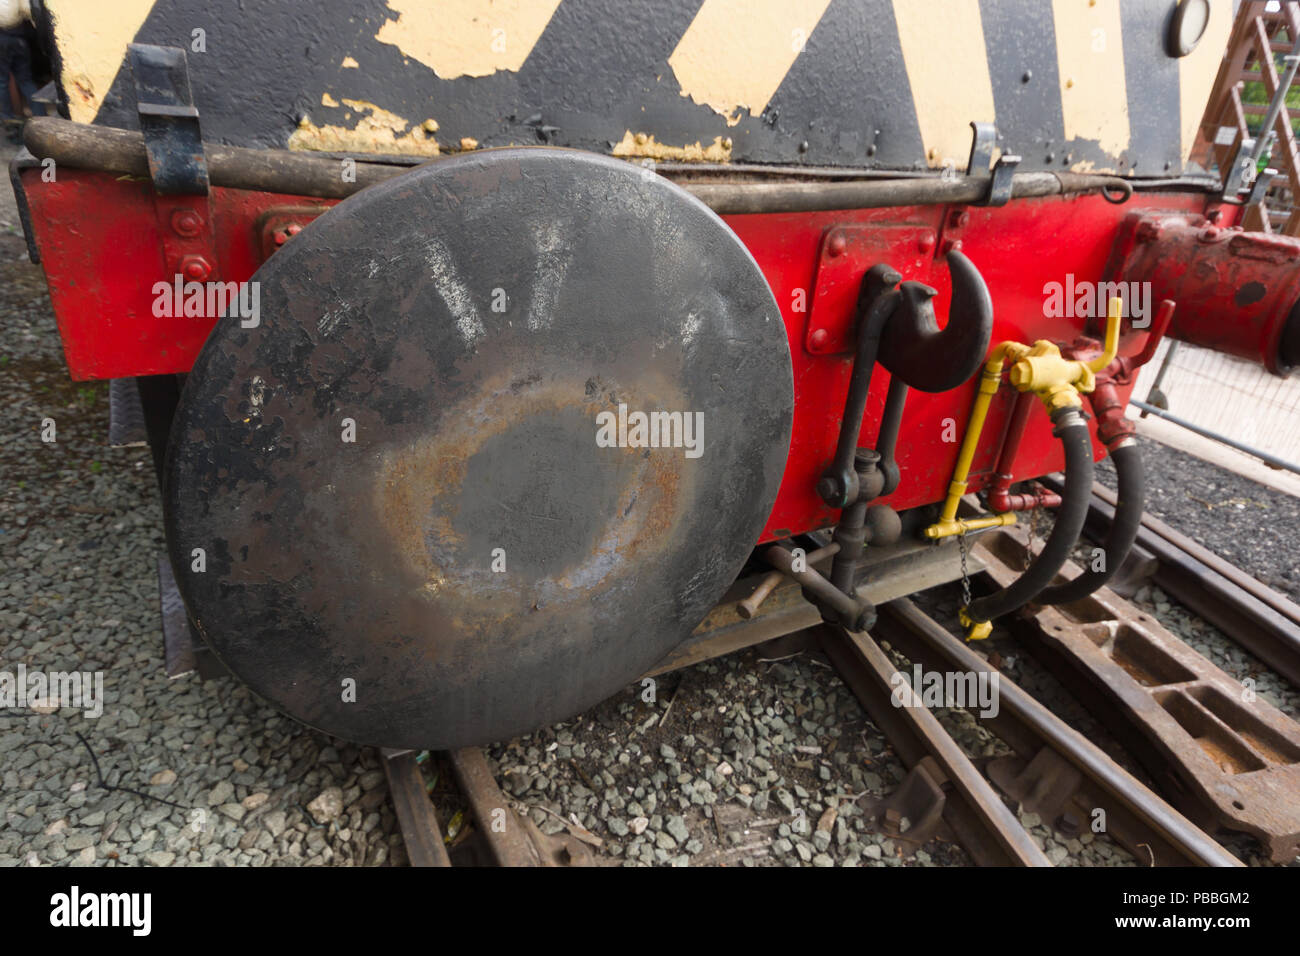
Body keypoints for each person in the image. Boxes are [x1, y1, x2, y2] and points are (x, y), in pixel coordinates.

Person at [1, 1, 42, 143]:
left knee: (2, 82)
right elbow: (28, 10)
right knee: (26, 80)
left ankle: (10, 119)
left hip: (2, 39)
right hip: (18, 37)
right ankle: (40, 114)